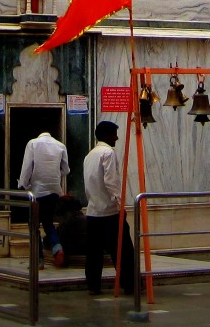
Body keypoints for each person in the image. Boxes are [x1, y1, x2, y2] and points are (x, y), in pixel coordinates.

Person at [83, 120, 136, 296]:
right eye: (114, 134)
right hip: (109, 211)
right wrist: (121, 205)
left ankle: (93, 285)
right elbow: (111, 181)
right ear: (106, 135)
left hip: (93, 211)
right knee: (123, 251)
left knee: (94, 253)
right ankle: (129, 284)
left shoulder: (90, 154)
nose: (117, 137)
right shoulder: (108, 153)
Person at [18, 129, 69, 268]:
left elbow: (27, 166)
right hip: (54, 191)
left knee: (33, 225)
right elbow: (66, 170)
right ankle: (57, 249)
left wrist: (23, 184)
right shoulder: (60, 145)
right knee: (48, 223)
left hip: (37, 192)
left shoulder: (33, 144)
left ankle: (38, 260)